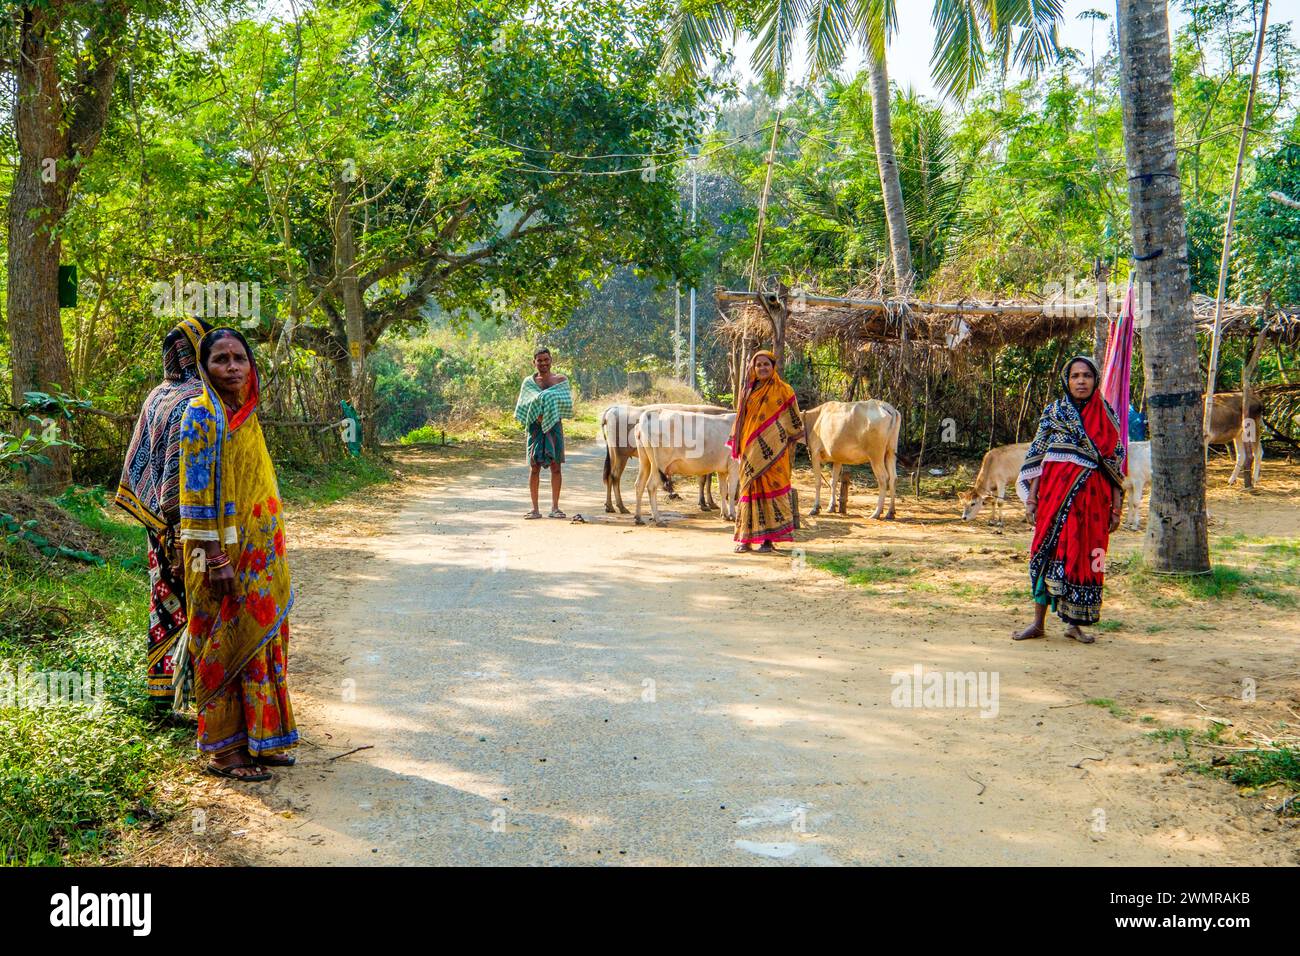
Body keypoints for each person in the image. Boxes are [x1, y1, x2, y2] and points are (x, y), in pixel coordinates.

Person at [178, 327, 298, 781]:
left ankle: (262, 739)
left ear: (252, 365)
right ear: (204, 368)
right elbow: (194, 492)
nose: (232, 367)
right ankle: (226, 751)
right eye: (220, 359)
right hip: (216, 553)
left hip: (261, 554)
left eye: (239, 358)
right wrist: (215, 558)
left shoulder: (246, 415)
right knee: (221, 641)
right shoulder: (201, 415)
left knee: (262, 638)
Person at [114, 316, 212, 715]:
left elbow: (142, 462)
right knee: (201, 603)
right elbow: (183, 473)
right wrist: (179, 524)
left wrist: (162, 520)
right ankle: (206, 695)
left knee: (165, 601)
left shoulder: (157, 395)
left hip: (156, 525)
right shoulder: (198, 400)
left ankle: (164, 695)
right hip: (188, 525)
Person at [1013, 355, 1126, 644]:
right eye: (1075, 376)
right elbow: (1039, 458)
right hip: (1054, 499)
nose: (1081, 381)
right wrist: (1032, 499)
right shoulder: (1054, 412)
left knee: (1087, 558)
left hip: (1094, 504)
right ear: (1067, 380)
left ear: (1095, 380)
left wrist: (1117, 508)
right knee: (1046, 554)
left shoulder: (1107, 415)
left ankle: (1073, 625)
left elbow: (1114, 464)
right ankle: (1037, 623)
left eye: (1086, 375)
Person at [729, 349, 804, 553]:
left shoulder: (784, 390)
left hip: (775, 451)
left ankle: (768, 540)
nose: (762, 368)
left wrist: (779, 437)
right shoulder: (747, 391)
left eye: (766, 364)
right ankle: (745, 539)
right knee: (747, 490)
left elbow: (794, 421)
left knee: (769, 491)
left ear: (773, 367)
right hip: (749, 449)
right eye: (758, 364)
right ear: (753, 368)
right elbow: (741, 419)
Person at [513, 347, 573, 519]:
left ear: (551, 360)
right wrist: (538, 415)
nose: (543, 363)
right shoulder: (529, 383)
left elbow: (566, 403)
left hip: (554, 427)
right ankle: (535, 509)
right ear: (534, 362)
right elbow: (523, 405)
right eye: (539, 360)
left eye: (546, 360)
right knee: (534, 468)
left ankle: (555, 508)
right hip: (535, 428)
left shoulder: (561, 380)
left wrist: (548, 413)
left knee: (556, 467)